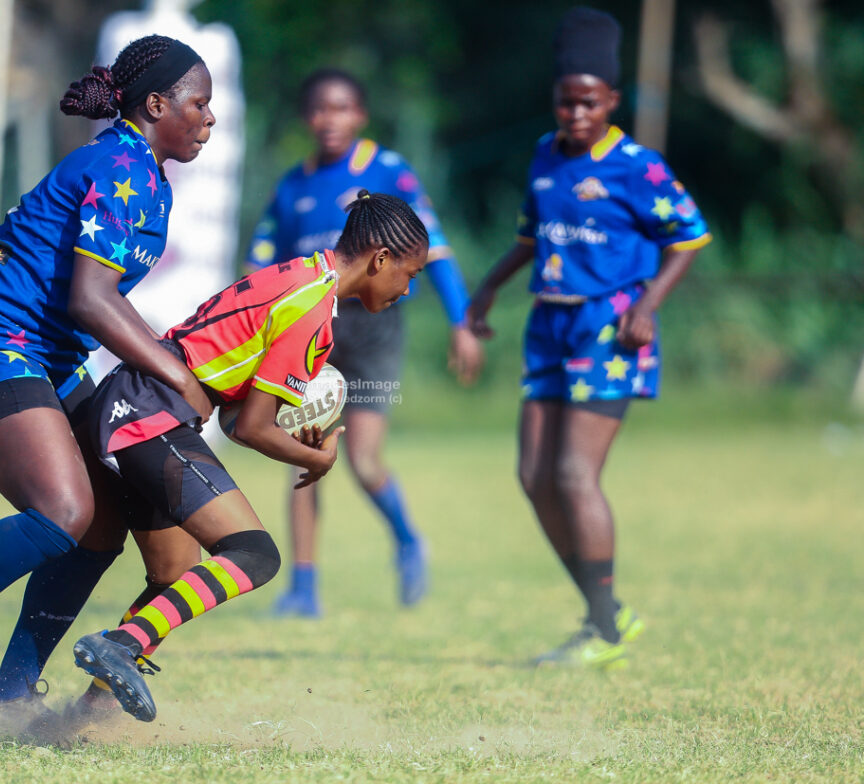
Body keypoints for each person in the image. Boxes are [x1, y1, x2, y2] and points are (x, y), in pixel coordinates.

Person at [0, 35, 217, 738]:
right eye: (198, 104)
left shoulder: (142, 171)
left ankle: (11, 696)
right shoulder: (123, 167)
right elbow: (91, 300)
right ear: (156, 105)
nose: (210, 119)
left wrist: (175, 363)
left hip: (48, 355)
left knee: (104, 519)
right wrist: (172, 372)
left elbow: (96, 303)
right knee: (61, 509)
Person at [64, 190, 430, 723]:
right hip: (150, 414)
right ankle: (121, 643)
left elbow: (238, 415)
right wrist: (318, 459)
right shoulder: (312, 310)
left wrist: (294, 434)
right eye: (409, 273)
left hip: (136, 404)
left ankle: (89, 714)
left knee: (174, 572)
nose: (409, 287)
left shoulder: (301, 277)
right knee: (255, 555)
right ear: (380, 260)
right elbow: (252, 431)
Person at [468, 7, 712, 669]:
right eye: (564, 102)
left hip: (610, 326)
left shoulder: (638, 166)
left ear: (612, 100)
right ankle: (607, 616)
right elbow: (530, 237)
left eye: (588, 103)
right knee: (532, 476)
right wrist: (486, 290)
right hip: (548, 323)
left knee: (575, 475)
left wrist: (649, 305)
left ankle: (603, 628)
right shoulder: (546, 154)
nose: (574, 114)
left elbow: (688, 239)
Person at [247, 68, 484, 617]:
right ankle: (303, 589)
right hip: (312, 330)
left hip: (374, 327)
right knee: (302, 453)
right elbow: (262, 264)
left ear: (361, 115)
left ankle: (406, 539)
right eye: (320, 110)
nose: (331, 120)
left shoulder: (389, 171)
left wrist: (461, 321)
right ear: (308, 118)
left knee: (363, 459)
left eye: (343, 108)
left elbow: (438, 248)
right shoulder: (293, 185)